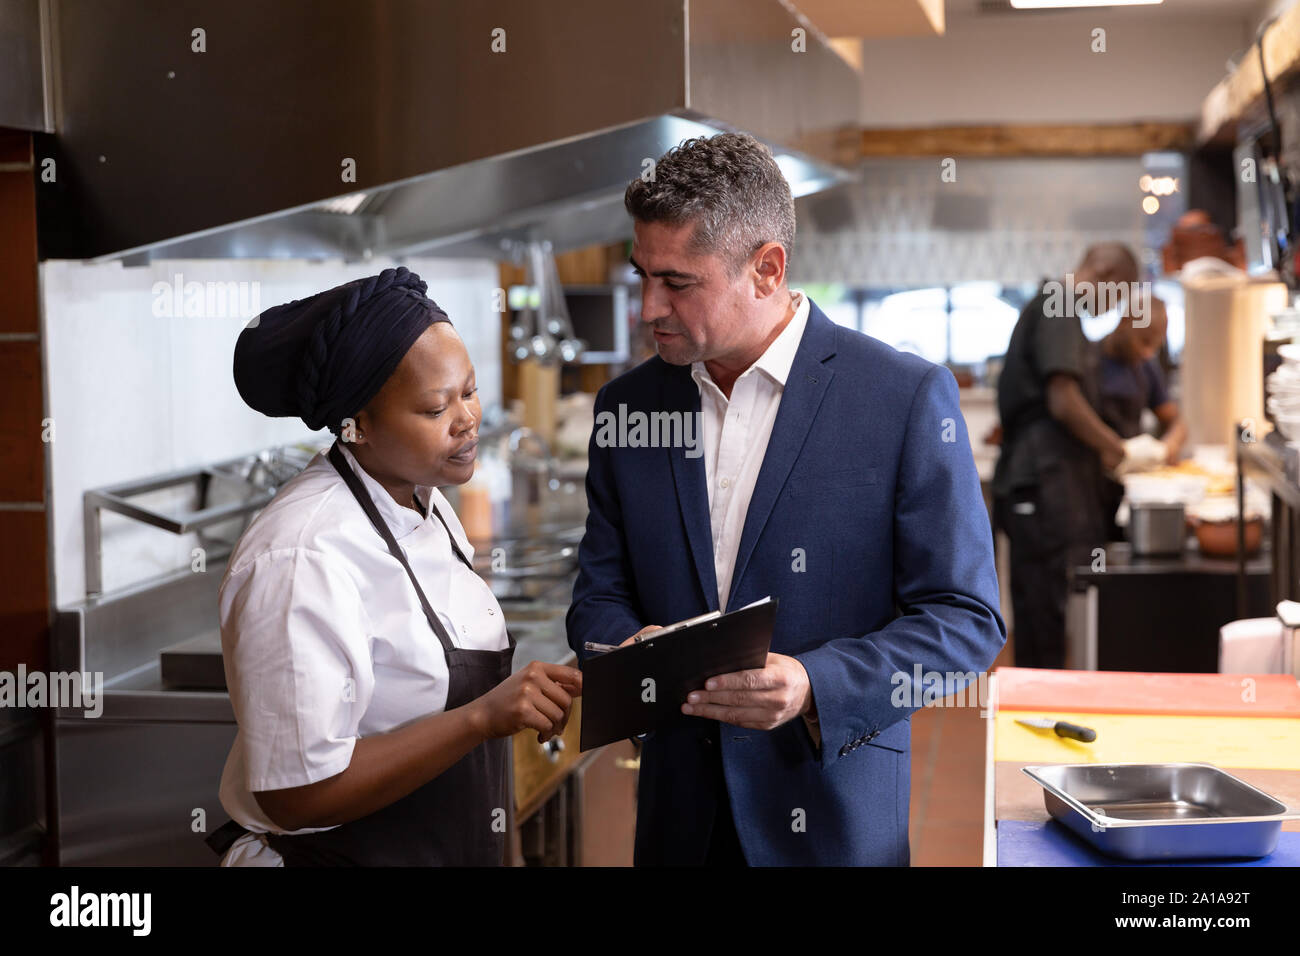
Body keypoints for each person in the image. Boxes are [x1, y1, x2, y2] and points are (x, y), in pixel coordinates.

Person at [566, 132, 1005, 866]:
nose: (649, 308)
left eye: (677, 283)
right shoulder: (627, 406)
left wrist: (814, 683)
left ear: (766, 268)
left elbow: (966, 621)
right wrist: (628, 647)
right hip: (678, 825)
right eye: (642, 275)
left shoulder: (902, 398)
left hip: (832, 820)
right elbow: (598, 594)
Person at [211, 267, 581, 866]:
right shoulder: (302, 554)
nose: (467, 419)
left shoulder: (423, 501)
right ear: (360, 426)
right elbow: (295, 796)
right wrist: (482, 717)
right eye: (436, 408)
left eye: (469, 390)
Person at [992, 243, 1147, 670]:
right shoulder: (1058, 307)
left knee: (1050, 616)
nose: (1113, 308)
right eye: (1117, 295)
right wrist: (1120, 450)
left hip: (1052, 483)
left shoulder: (1061, 312)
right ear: (1103, 272)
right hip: (1044, 487)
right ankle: (1039, 723)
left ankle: (1048, 713)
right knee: (1044, 617)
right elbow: (1063, 400)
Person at [1095, 297, 1187, 539]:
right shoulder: (1087, 361)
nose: (1147, 353)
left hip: (1132, 485)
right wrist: (1112, 450)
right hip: (1092, 487)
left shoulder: (1146, 368)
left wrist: (1167, 447)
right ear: (1125, 322)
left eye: (1155, 347)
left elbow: (1176, 421)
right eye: (1144, 342)